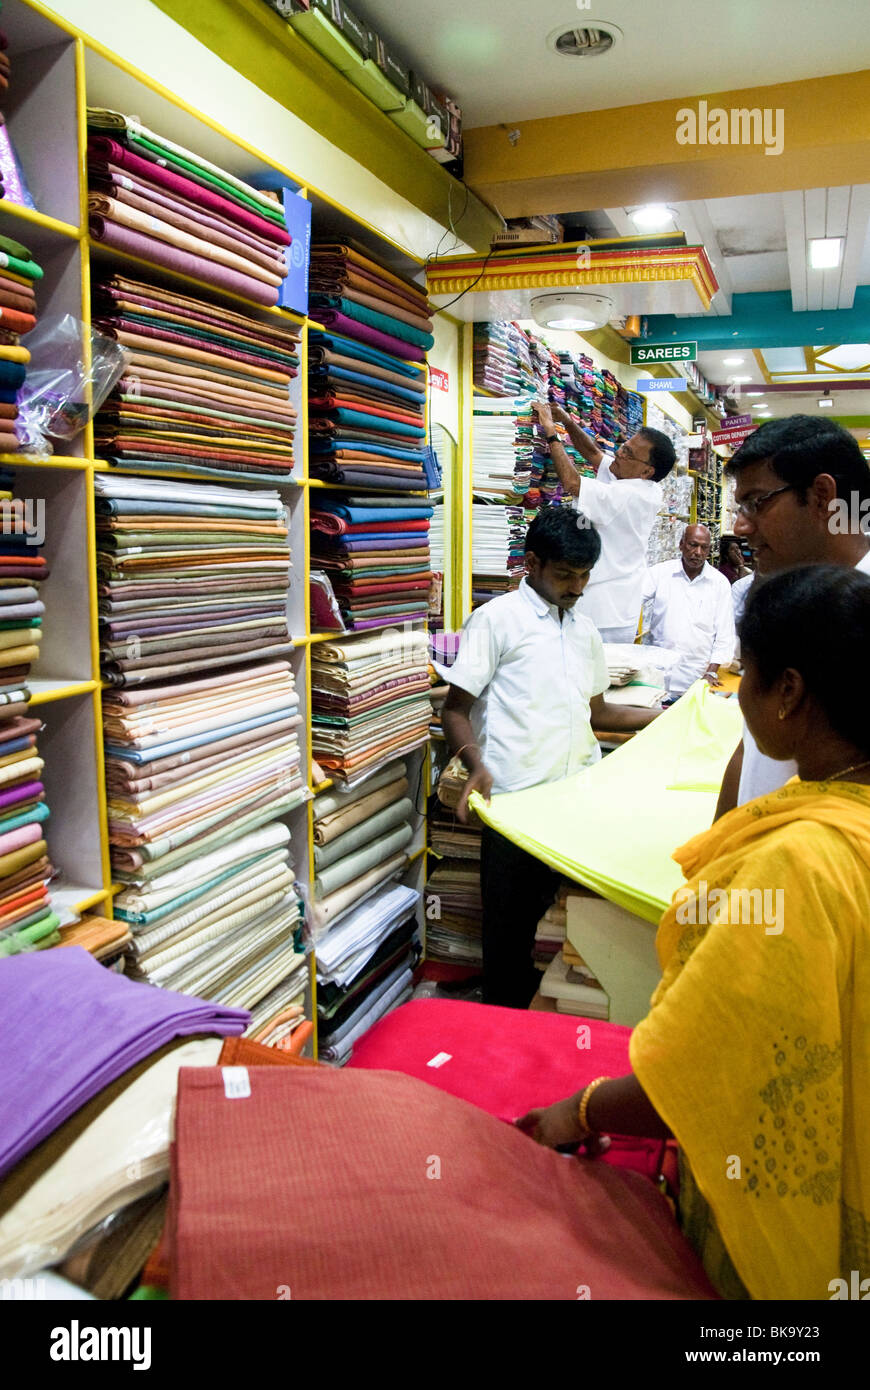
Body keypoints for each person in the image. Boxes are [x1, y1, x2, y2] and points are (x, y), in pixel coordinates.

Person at [516, 564, 870, 1300]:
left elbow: (706, 1061)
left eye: (746, 672)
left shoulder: (799, 861)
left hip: (797, 1217)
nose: (735, 691)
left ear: (790, 692)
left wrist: (574, 1112)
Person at [441, 507, 660, 1009]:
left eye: (585, 576)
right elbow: (457, 709)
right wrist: (475, 764)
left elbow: (597, 711)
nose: (578, 587)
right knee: (508, 930)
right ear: (532, 563)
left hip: (572, 803)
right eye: (566, 575)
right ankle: (504, 1022)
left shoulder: (583, 631)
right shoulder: (497, 620)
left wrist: (666, 718)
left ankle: (548, 1022)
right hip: (515, 803)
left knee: (562, 924)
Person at [714, 415, 870, 817]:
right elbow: (750, 748)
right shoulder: (777, 596)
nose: (741, 525)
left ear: (821, 496)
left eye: (757, 502)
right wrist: (720, 853)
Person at [531, 400, 676, 643]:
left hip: (606, 612)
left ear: (647, 471)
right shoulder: (638, 480)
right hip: (612, 606)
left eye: (628, 453)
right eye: (623, 446)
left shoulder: (629, 495)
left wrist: (551, 431)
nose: (619, 453)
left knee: (596, 676)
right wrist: (567, 420)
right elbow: (593, 454)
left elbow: (572, 483)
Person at [642, 523, 736, 699]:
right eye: (693, 545)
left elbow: (725, 635)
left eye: (704, 547)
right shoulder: (660, 574)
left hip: (695, 680)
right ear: (681, 544)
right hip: (657, 678)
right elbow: (632, 600)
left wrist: (711, 672)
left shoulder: (719, 583)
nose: (698, 552)